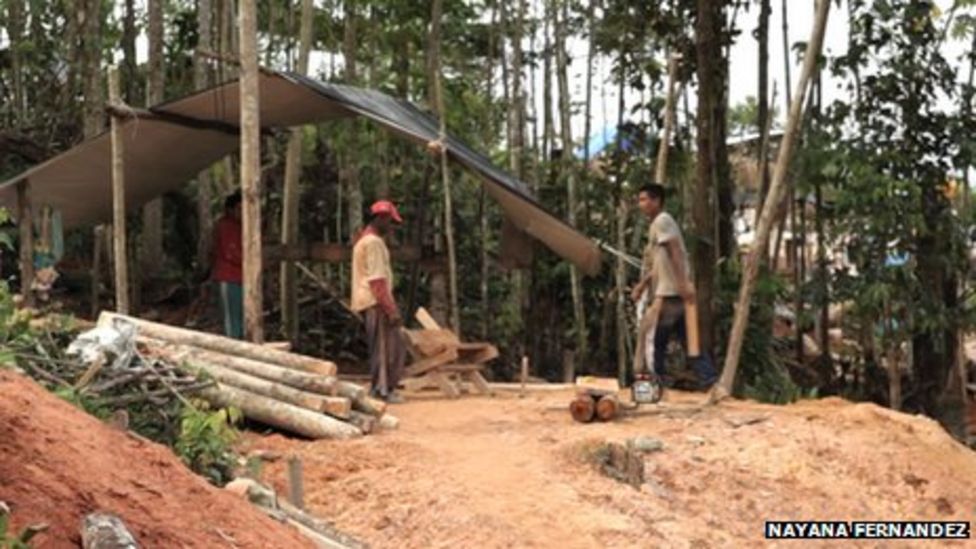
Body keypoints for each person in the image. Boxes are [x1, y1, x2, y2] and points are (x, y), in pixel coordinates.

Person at [631, 183, 717, 389]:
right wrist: (642, 285)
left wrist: (683, 283)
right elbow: (661, 263)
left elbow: (675, 251)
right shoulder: (659, 224)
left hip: (669, 292)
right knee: (686, 339)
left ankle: (655, 382)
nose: (641, 204)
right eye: (640, 200)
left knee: (651, 337)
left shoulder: (662, 221)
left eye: (645, 200)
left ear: (656, 201)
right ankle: (709, 379)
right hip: (672, 291)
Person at [351, 200, 407, 403]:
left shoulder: (364, 241)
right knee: (388, 347)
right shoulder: (373, 243)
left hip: (369, 300)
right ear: (381, 219)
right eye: (390, 222)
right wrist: (390, 308)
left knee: (381, 346)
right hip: (375, 301)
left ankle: (380, 387)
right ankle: (383, 389)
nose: (391, 227)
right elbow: (377, 280)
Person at [213, 192, 243, 339]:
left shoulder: (240, 226)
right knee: (233, 319)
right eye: (239, 209)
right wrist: (251, 262)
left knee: (242, 317)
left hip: (242, 277)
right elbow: (231, 253)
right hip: (229, 277)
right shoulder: (225, 226)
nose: (241, 213)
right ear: (230, 209)